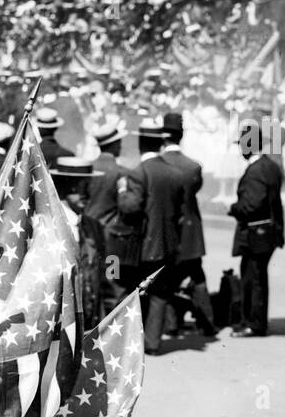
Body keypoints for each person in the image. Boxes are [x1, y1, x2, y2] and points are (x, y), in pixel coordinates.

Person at [131, 117, 186, 354]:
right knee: (161, 293)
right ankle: (153, 343)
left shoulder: (138, 172)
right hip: (168, 243)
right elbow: (181, 213)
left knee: (136, 293)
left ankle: (133, 341)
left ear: (140, 143)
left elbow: (131, 210)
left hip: (141, 244)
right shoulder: (175, 174)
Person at [160, 111, 218, 338]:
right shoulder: (194, 167)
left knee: (166, 278)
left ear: (163, 138)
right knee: (197, 277)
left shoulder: (159, 165)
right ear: (181, 136)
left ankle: (171, 324)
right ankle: (208, 323)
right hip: (191, 232)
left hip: (168, 231)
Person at [229, 120, 285, 337]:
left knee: (253, 278)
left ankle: (254, 323)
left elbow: (251, 205)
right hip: (269, 231)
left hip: (255, 233)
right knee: (257, 276)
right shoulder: (270, 166)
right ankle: (255, 320)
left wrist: (233, 208)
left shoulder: (255, 171)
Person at [84, 122, 144, 313]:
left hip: (88, 235)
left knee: (90, 277)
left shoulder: (87, 168)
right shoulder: (121, 173)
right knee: (112, 279)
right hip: (112, 238)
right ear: (113, 145)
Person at [50, 154, 107, 330]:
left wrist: (116, 293)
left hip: (91, 315)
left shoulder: (93, 226)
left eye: (88, 186)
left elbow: (111, 261)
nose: (87, 194)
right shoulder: (49, 225)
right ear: (64, 187)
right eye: (80, 187)